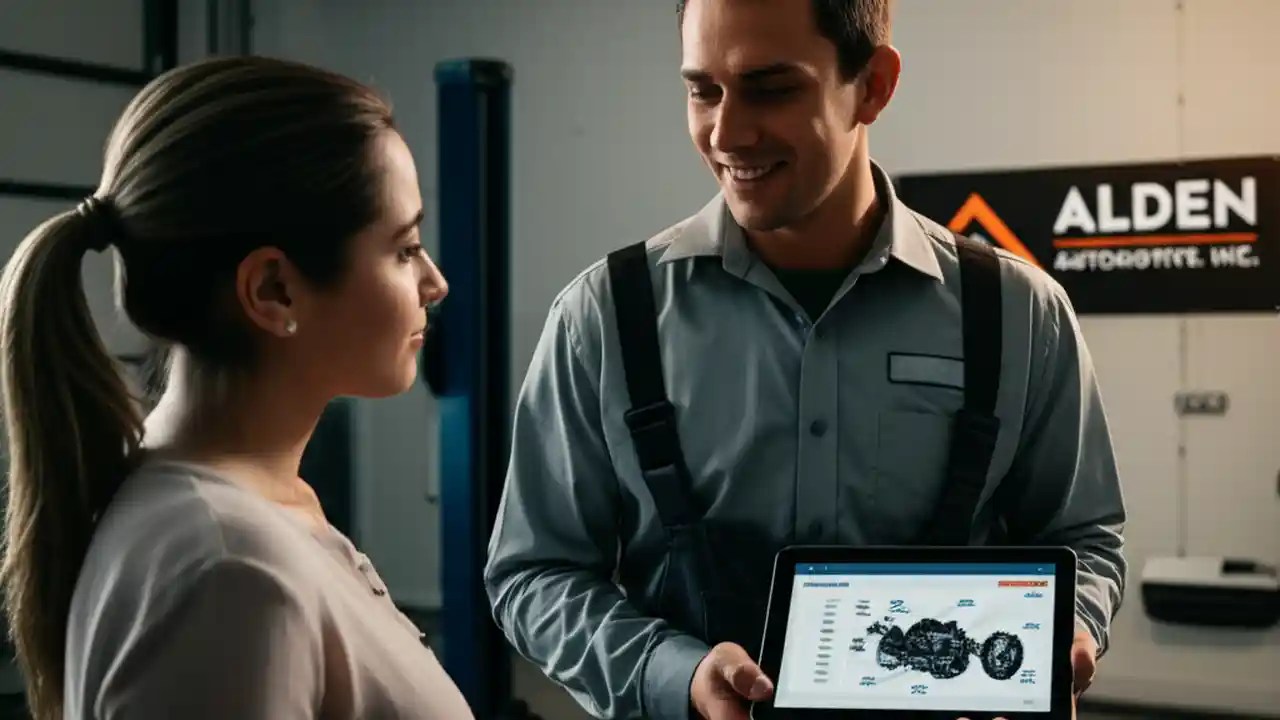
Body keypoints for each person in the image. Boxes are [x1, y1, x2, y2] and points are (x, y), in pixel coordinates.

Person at [485, 0, 1126, 719]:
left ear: (874, 86)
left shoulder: (1020, 314)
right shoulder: (601, 318)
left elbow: (1081, 536)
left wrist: (1071, 627)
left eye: (771, 87)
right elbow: (534, 573)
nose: (726, 132)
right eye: (703, 90)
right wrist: (676, 675)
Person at [0, 55, 472, 720]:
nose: (435, 282)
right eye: (404, 248)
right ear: (274, 291)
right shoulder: (227, 575)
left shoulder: (232, 513)